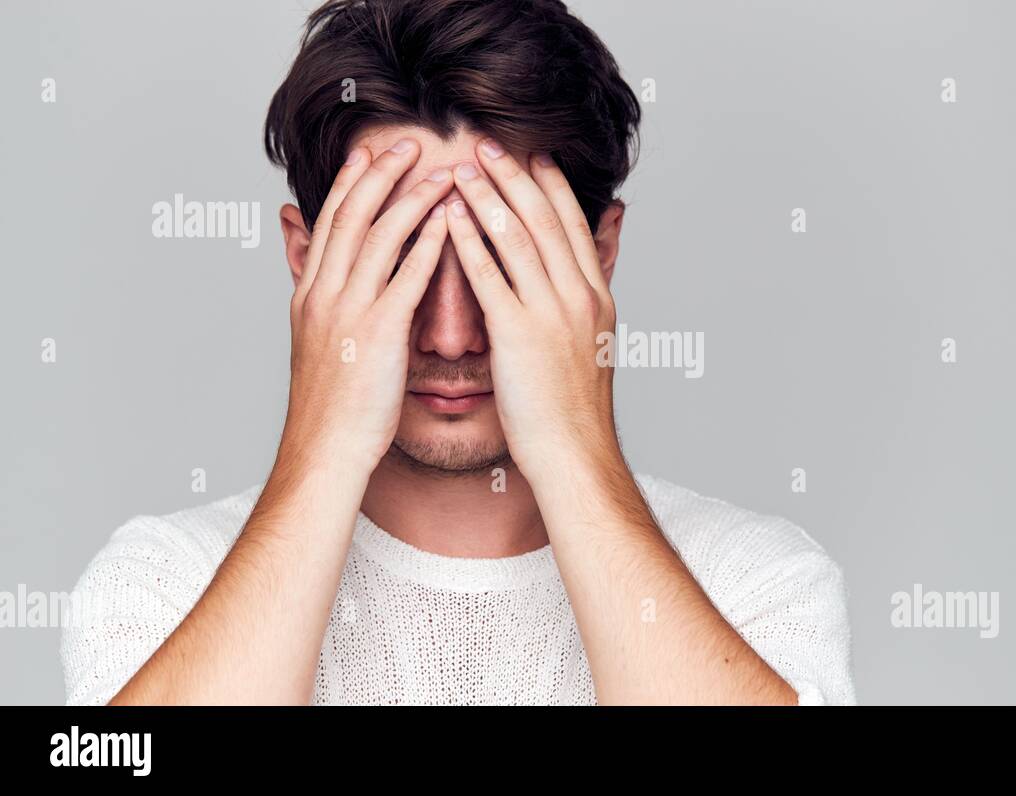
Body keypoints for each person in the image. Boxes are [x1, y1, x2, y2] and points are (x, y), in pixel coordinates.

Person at [61, 0, 855, 706]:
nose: (449, 335)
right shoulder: (161, 582)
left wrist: (574, 447)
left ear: (599, 253)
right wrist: (325, 448)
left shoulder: (754, 582)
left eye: (500, 259)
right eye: (396, 256)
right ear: (307, 261)